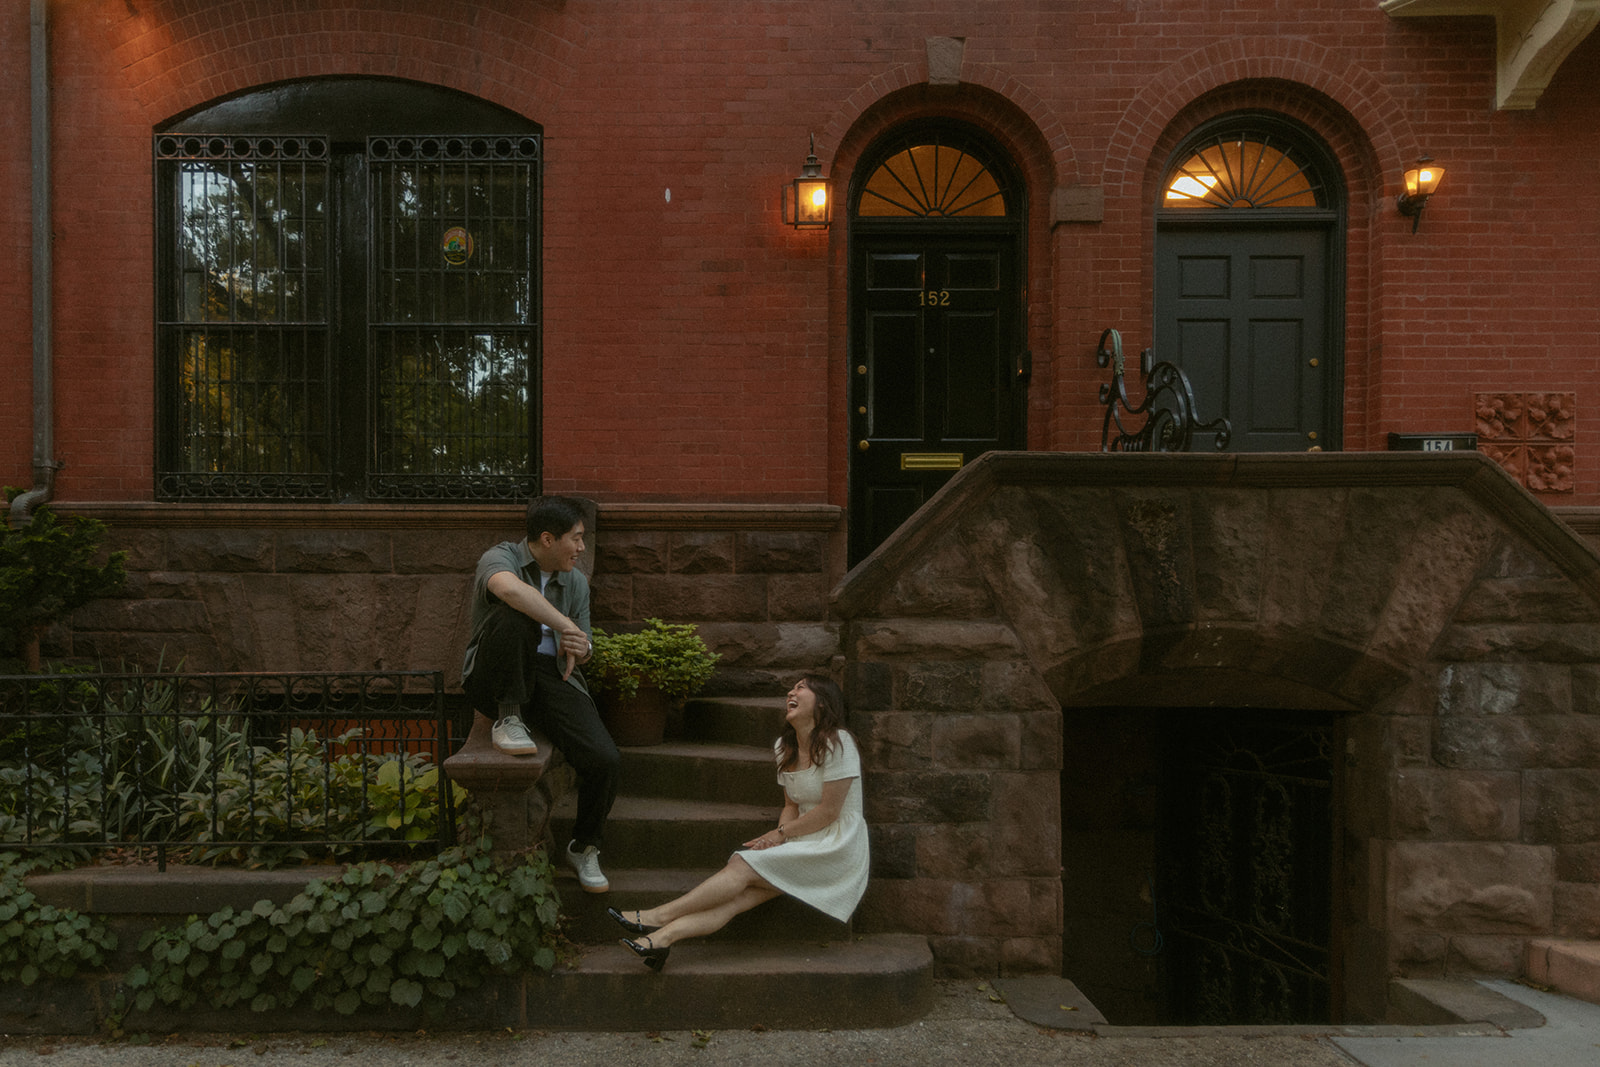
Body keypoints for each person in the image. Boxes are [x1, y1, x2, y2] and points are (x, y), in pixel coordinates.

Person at [606, 673, 868, 970]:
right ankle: (660, 940)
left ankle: (657, 916)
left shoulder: (839, 742)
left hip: (836, 846)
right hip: (804, 838)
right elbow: (791, 805)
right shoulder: (786, 746)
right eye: (792, 688)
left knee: (741, 866)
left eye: (801, 688)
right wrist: (776, 840)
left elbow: (829, 812)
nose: (790, 693)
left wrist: (780, 834)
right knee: (738, 898)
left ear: (822, 704)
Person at [460, 495, 620, 894]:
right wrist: (562, 624)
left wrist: (581, 648)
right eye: (576, 539)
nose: (581, 548)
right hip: (494, 677)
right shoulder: (501, 558)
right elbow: (508, 591)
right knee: (516, 616)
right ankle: (509, 717)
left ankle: (584, 847)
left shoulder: (576, 581)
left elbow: (584, 645)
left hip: (551, 678)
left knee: (605, 759)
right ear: (547, 539)